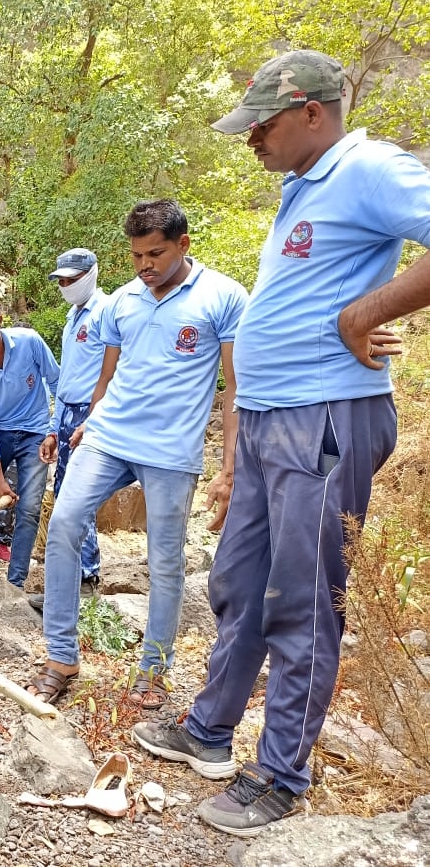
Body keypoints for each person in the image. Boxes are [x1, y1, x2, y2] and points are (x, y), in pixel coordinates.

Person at [133, 49, 430, 838]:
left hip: (324, 418)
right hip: (270, 420)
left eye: (260, 125)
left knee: (300, 598)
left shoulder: (366, 167)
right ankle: (208, 728)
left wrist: (367, 313)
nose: (250, 140)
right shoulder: (304, 187)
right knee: (238, 582)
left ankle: (281, 774)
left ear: (310, 113)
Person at [29, 199, 247, 710]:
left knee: (165, 561)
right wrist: (88, 422)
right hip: (108, 435)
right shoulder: (121, 302)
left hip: (171, 450)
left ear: (183, 245)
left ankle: (152, 670)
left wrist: (230, 467)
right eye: (135, 256)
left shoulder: (224, 297)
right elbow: (108, 376)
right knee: (63, 524)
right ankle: (60, 657)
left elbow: (235, 387)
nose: (145, 265)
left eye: (155, 253)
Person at [0, 296, 59, 589]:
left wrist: (54, 431)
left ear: (0, 320)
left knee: (29, 508)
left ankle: (14, 583)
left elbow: (57, 382)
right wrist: (0, 479)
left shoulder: (29, 342)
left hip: (35, 433)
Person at [39, 247, 108, 588]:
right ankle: (70, 578)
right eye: (62, 280)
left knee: (79, 497)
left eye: (72, 279)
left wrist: (93, 419)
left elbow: (113, 373)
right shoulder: (73, 316)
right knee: (64, 494)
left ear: (92, 274)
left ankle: (86, 578)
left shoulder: (104, 313)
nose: (66, 285)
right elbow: (67, 376)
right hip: (67, 411)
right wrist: (54, 428)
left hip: (88, 413)